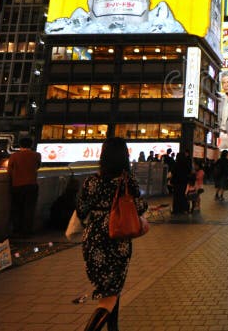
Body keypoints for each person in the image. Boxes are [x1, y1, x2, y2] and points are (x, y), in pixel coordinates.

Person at [76, 137, 147, 331]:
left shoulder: (92, 181)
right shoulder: (128, 182)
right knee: (110, 293)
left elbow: (81, 210)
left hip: (93, 240)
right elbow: (141, 206)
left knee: (111, 290)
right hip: (117, 240)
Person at [7, 136, 42, 237]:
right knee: (29, 209)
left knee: (17, 208)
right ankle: (27, 231)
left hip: (17, 185)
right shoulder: (36, 155)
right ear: (31, 145)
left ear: (20, 145)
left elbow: (9, 170)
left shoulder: (14, 156)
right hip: (31, 185)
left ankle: (16, 230)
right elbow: (38, 166)